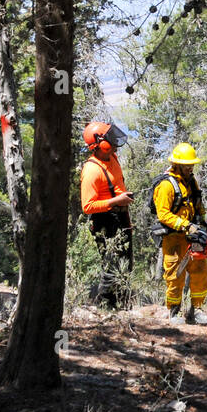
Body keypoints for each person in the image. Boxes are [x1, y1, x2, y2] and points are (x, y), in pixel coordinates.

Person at [152, 143, 207, 325]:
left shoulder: (191, 181)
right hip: (173, 238)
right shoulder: (166, 185)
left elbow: (197, 202)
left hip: (192, 236)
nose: (190, 168)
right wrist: (185, 225)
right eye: (187, 165)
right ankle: (174, 312)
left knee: (200, 271)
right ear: (177, 164)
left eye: (191, 165)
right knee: (174, 275)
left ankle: (196, 310)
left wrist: (205, 221)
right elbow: (163, 214)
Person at [80, 121, 134, 309]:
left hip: (120, 216)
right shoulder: (91, 170)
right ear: (100, 143)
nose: (114, 140)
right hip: (104, 220)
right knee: (111, 264)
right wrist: (116, 201)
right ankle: (107, 307)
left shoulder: (114, 158)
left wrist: (122, 203)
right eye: (109, 137)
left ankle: (124, 305)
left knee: (126, 262)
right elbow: (88, 207)